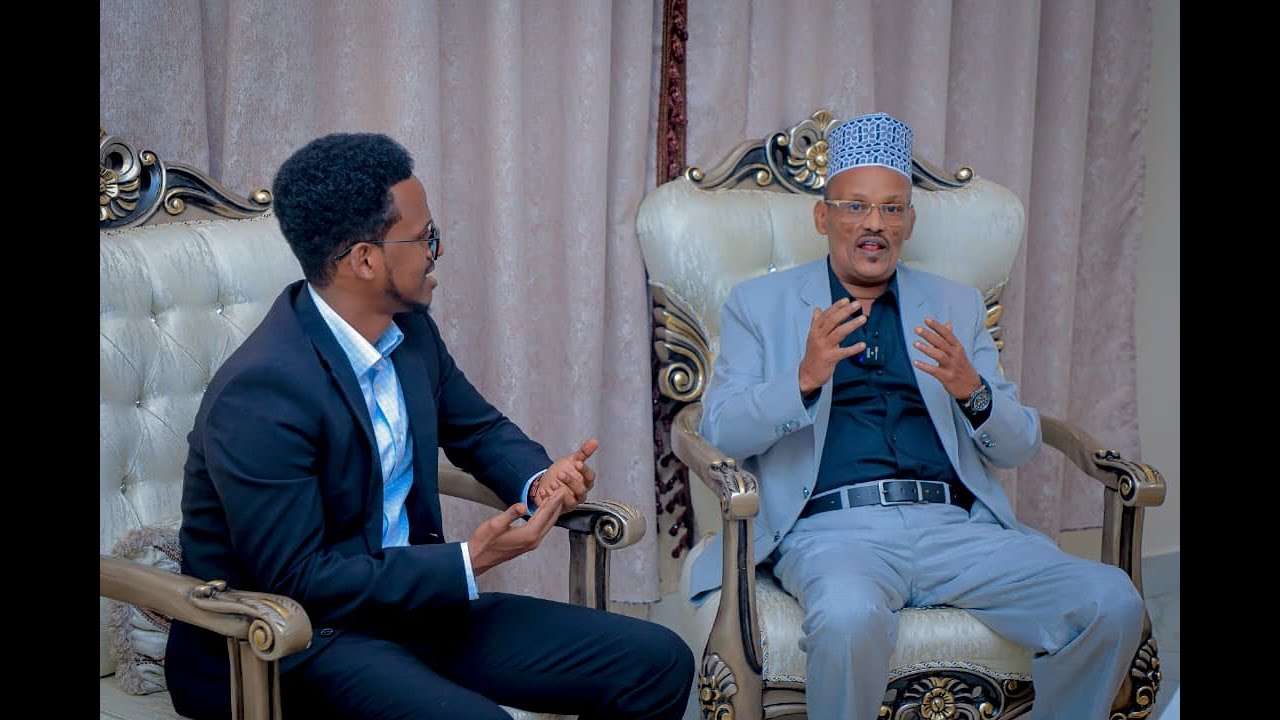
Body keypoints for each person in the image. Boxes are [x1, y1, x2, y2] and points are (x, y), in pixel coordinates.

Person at [165, 132, 694, 720]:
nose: (435, 252)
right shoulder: (261, 392)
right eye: (424, 238)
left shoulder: (409, 332)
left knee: (656, 662)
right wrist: (468, 561)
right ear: (365, 260)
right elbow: (297, 578)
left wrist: (540, 480)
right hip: (292, 643)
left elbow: (478, 430)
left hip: (411, 611)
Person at [686, 112, 1146, 719]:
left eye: (892, 209)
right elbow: (719, 431)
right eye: (855, 207)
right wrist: (801, 379)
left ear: (909, 222)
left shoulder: (955, 305)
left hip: (956, 530)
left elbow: (1018, 446)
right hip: (833, 532)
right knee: (848, 617)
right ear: (823, 218)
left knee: (1111, 600)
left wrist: (972, 391)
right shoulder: (759, 304)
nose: (874, 225)